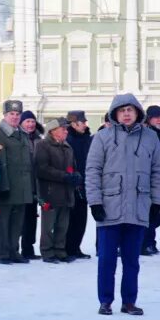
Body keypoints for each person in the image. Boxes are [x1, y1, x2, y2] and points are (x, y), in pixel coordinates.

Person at [86, 94, 160, 316]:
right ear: (115, 114)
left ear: (137, 112)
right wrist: (95, 202)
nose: (126, 113)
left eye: (130, 109)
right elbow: (92, 171)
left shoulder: (151, 138)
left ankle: (129, 302)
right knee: (107, 260)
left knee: (132, 260)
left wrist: (156, 201)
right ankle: (105, 301)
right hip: (110, 206)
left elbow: (157, 172)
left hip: (138, 206)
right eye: (122, 110)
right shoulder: (103, 137)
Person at [0, 100, 33, 265]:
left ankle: (14, 250)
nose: (14, 117)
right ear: (5, 115)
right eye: (11, 114)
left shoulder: (22, 134)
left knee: (17, 222)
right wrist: (1, 185)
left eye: (17, 114)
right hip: (7, 186)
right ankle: (3, 253)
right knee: (4, 222)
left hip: (22, 186)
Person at [35, 117, 78, 264]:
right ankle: (47, 252)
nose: (66, 131)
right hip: (50, 192)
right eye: (63, 129)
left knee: (62, 224)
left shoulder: (67, 147)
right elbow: (42, 169)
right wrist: (64, 176)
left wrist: (76, 176)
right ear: (53, 131)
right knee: (48, 226)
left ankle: (60, 250)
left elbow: (73, 166)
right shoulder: (43, 145)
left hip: (66, 192)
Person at [65, 111, 93, 260]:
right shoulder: (68, 139)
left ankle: (76, 247)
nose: (85, 125)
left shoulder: (87, 138)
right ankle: (68, 248)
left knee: (82, 218)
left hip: (85, 182)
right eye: (82, 122)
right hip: (72, 183)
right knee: (71, 218)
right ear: (74, 124)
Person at [20, 110, 44, 260]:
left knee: (31, 218)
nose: (30, 124)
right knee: (21, 219)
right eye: (27, 121)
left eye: (32, 121)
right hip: (22, 184)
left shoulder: (39, 140)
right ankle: (16, 248)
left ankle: (28, 248)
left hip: (35, 184)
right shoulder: (18, 138)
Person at [144, 105, 160, 256]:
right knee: (150, 214)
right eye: (156, 117)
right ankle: (147, 243)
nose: (159, 120)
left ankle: (149, 242)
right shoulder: (147, 135)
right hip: (148, 180)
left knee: (156, 214)